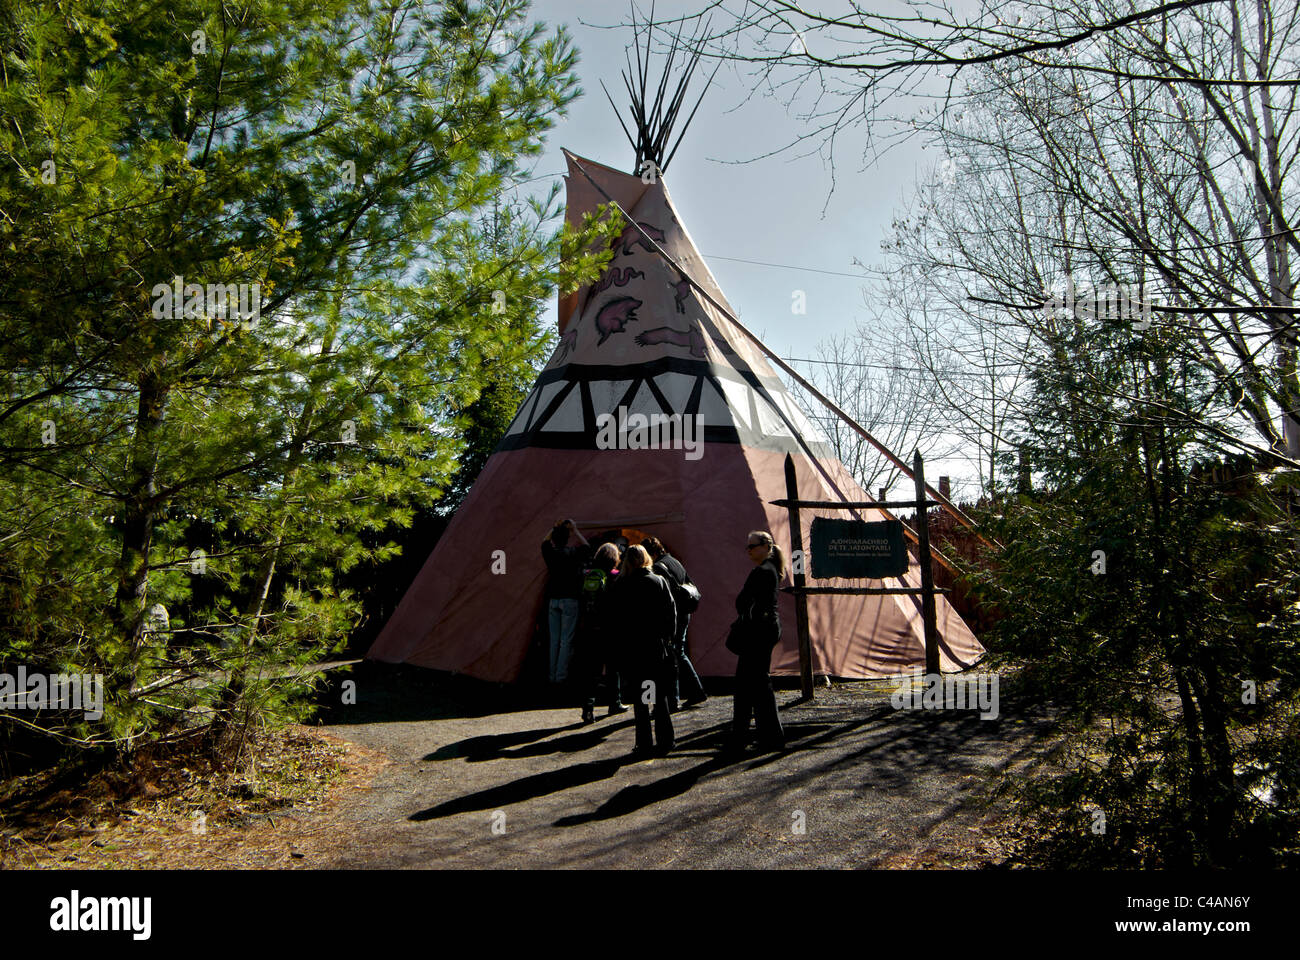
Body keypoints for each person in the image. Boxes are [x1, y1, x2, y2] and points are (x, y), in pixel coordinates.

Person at [607, 544, 677, 758]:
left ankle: (644, 743)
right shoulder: (658, 581)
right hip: (655, 646)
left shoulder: (622, 585)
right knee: (659, 695)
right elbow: (671, 613)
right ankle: (665, 740)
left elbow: (615, 620)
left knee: (641, 699)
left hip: (633, 648)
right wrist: (667, 638)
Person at [726, 530, 786, 754]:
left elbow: (745, 603)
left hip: (756, 634)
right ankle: (765, 736)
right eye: (748, 547)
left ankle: (750, 737)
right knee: (756, 685)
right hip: (764, 631)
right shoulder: (769, 570)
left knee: (752, 685)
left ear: (765, 547)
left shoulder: (762, 572)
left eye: (752, 546)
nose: (748, 550)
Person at [642, 536, 707, 710]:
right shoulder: (673, 561)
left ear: (651, 553)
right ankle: (691, 692)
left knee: (673, 655)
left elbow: (664, 596)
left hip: (674, 614)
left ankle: (675, 698)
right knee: (679, 652)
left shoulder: (658, 567)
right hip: (685, 612)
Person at [576, 542, 626, 723]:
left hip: (591, 629)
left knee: (593, 671)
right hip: (610, 629)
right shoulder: (616, 576)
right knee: (613, 668)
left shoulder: (588, 575)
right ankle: (615, 702)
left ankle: (588, 708)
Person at [541, 519, 589, 686]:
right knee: (565, 640)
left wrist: (554, 527)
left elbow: (544, 542)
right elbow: (587, 548)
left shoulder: (550, 553)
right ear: (568, 538)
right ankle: (561, 676)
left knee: (554, 640)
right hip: (570, 599)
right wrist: (575, 530)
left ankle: (551, 675)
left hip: (553, 599)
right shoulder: (573, 553)